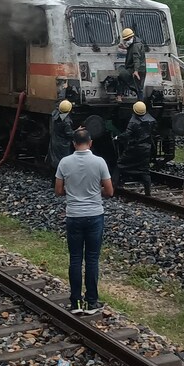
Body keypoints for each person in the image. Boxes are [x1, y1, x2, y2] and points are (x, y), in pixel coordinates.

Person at [55, 128, 113, 315]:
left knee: (75, 259)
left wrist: (72, 191)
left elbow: (58, 190)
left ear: (73, 144)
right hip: (95, 215)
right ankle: (91, 302)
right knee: (92, 259)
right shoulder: (99, 162)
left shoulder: (64, 162)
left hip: (74, 216)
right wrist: (96, 191)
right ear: (90, 143)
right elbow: (110, 191)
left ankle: (76, 303)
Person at [114, 100, 155, 196]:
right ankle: (148, 193)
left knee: (119, 165)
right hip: (146, 148)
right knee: (145, 170)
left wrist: (117, 138)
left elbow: (127, 134)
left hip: (134, 148)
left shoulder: (133, 121)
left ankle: (113, 187)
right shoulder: (151, 120)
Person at [47, 100, 74, 168]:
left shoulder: (54, 114)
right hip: (63, 143)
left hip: (54, 139)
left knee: (54, 157)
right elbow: (69, 134)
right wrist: (78, 131)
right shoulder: (66, 122)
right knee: (63, 159)